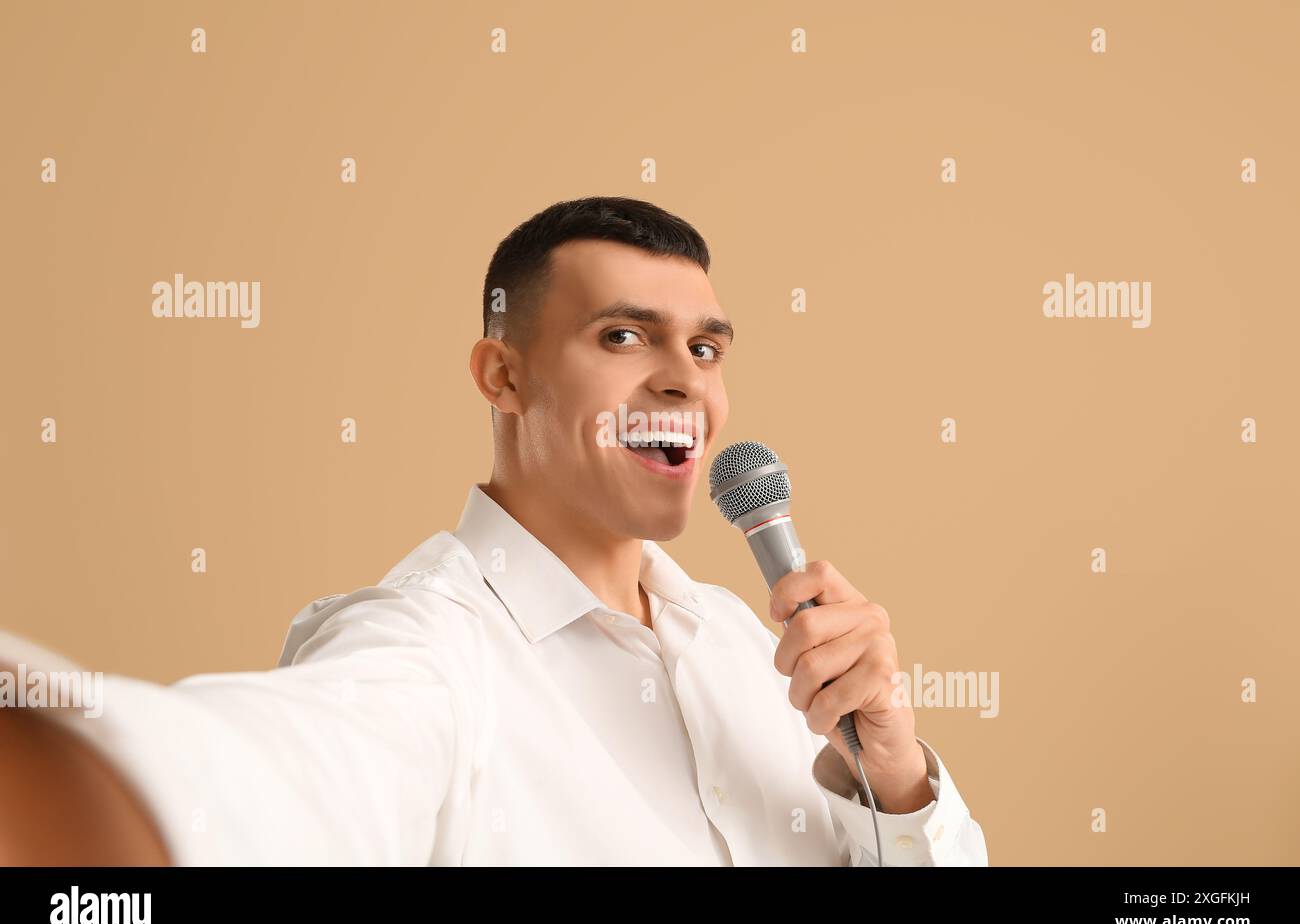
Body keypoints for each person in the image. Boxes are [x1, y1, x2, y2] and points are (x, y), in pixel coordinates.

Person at [0, 196, 987, 866]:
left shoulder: (753, 644)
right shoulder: (424, 653)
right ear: (502, 376)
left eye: (704, 346)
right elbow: (281, 764)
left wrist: (895, 777)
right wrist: (58, 749)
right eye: (622, 335)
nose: (684, 375)